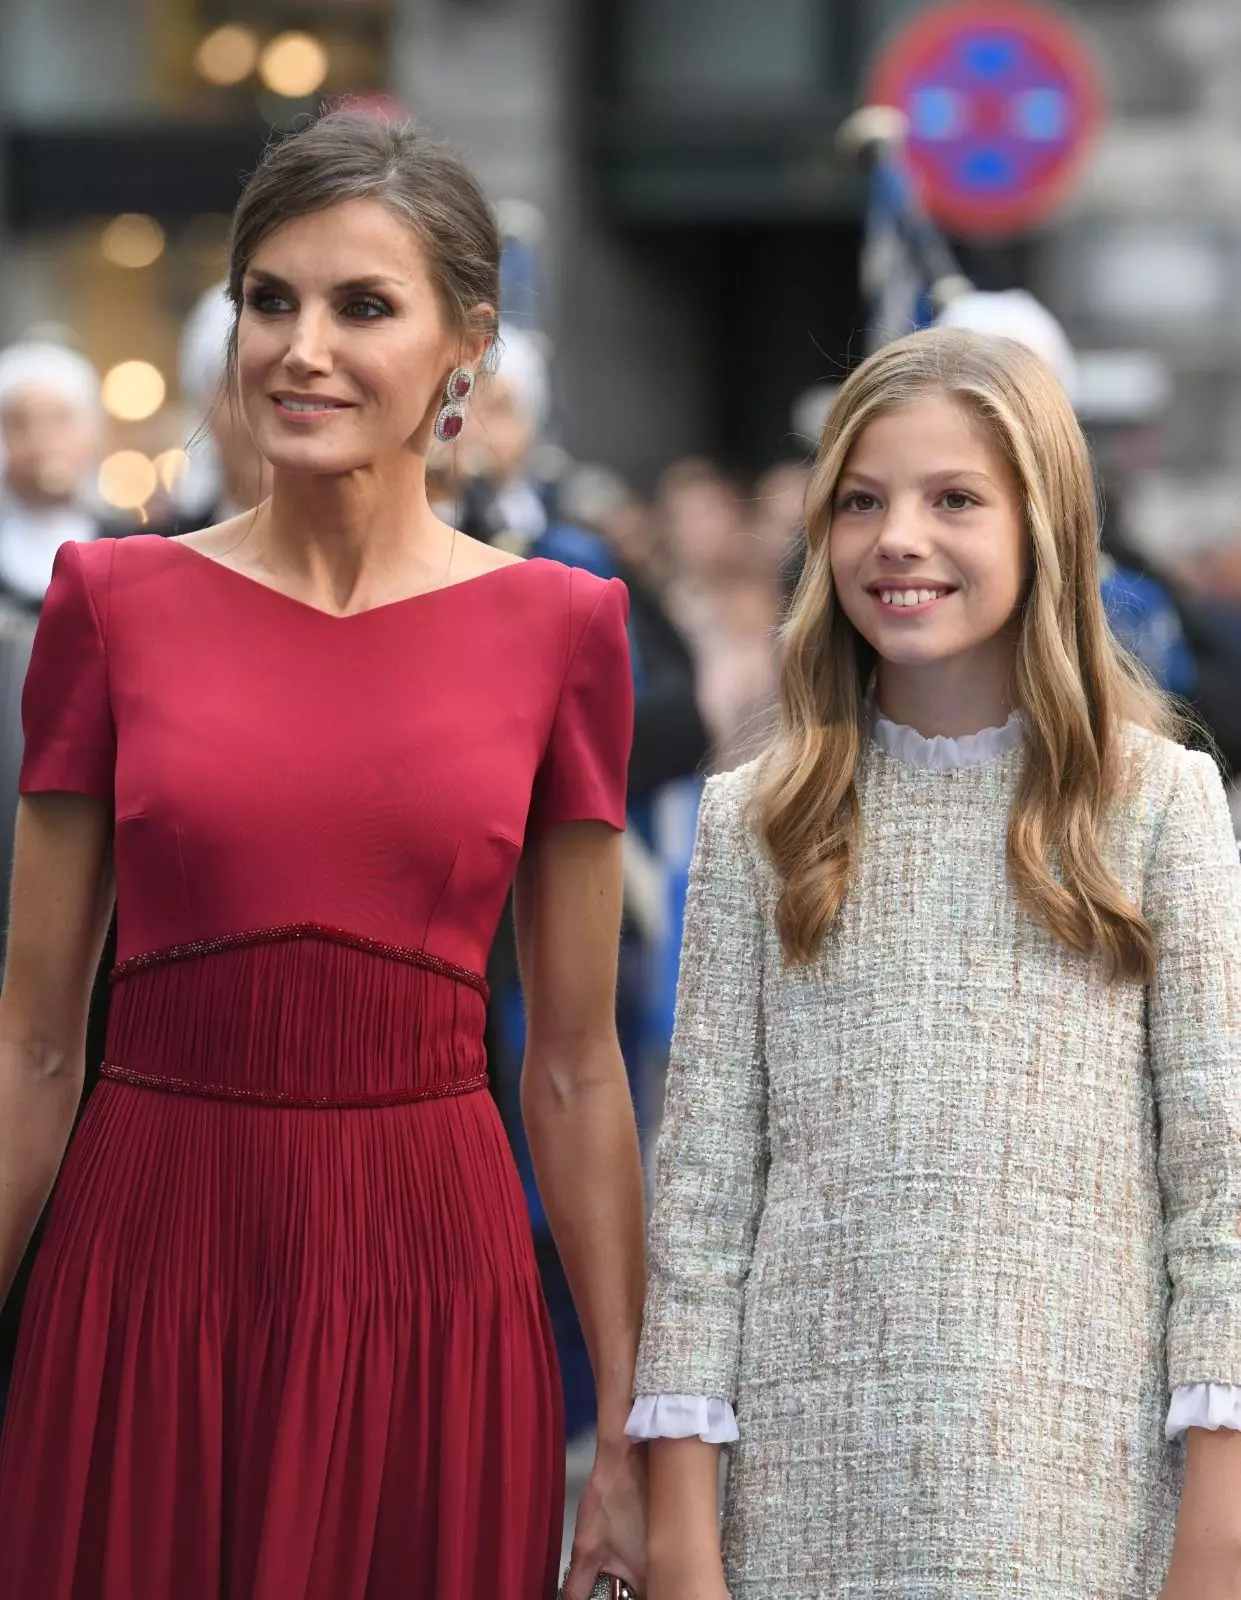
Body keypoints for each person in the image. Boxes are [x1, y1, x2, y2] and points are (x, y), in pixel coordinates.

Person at [0, 110, 646, 1600]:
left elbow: (575, 1065)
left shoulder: (563, 630)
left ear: (462, 348)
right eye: (270, 300)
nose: (303, 349)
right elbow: (32, 1044)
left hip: (432, 1282)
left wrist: (625, 1430)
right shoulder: (107, 603)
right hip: (146, 1262)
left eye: (363, 307)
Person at [630, 329, 1241, 1597]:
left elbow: (1219, 1196)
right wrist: (684, 1536)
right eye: (859, 501)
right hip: (805, 1501)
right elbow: (697, 1209)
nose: (895, 536)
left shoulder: (1158, 806)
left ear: (1045, 524)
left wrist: (1216, 1534)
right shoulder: (756, 821)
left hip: (1083, 1492)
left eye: (952, 498)